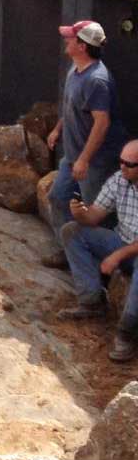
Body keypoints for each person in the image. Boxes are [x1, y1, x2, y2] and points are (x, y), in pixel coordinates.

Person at [44, 19, 124, 271]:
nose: (66, 41)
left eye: (71, 38)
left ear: (82, 45)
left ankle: (98, 273)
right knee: (58, 197)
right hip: (74, 155)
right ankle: (68, 251)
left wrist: (85, 160)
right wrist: (58, 129)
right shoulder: (75, 70)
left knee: (93, 216)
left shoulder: (97, 81)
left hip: (95, 161)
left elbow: (102, 123)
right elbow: (71, 106)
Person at [62, 137, 138, 360]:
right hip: (121, 240)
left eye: (129, 164)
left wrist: (117, 255)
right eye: (121, 161)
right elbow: (95, 215)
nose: (122, 167)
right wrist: (80, 213)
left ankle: (127, 332)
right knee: (72, 231)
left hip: (130, 250)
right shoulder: (119, 180)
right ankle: (91, 302)